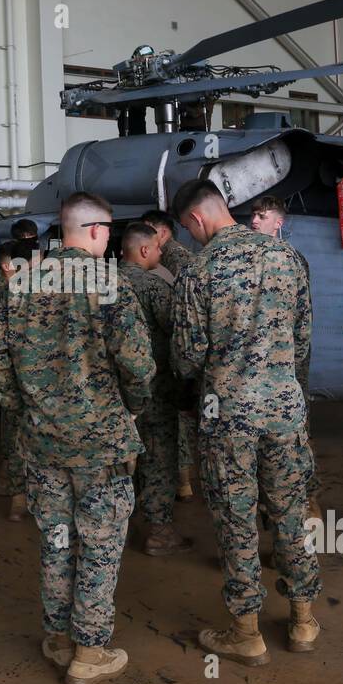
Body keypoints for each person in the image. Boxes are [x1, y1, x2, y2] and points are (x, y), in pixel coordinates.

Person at [0, 192, 154, 684]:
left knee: (57, 542)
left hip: (42, 444)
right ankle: (89, 652)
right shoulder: (108, 282)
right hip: (102, 445)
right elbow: (139, 365)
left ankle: (57, 638)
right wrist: (132, 407)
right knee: (99, 546)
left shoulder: (22, 284)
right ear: (98, 230)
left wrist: (28, 407)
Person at [171, 179, 321, 661]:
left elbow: (187, 359)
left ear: (195, 219)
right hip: (284, 410)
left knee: (236, 521)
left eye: (188, 229)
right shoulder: (289, 259)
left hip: (228, 416)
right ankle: (302, 621)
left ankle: (246, 632)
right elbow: (302, 342)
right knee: (291, 515)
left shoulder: (200, 270)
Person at [118, 223, 193, 556]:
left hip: (110, 393)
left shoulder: (101, 285)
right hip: (153, 389)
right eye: (158, 249)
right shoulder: (152, 286)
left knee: (120, 457)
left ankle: (117, 523)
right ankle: (159, 530)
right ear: (145, 250)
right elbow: (177, 332)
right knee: (158, 455)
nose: (161, 254)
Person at [250, 195, 322, 522]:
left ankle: (309, 499)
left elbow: (302, 322)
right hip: (257, 369)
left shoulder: (293, 260)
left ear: (278, 223)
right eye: (253, 215)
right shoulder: (247, 259)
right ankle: (269, 503)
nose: (254, 221)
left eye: (262, 216)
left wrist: (292, 368)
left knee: (296, 438)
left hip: (288, 367)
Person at [141, 208, 197, 502]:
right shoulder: (165, 260)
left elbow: (184, 314)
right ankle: (181, 481)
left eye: (150, 229)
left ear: (162, 231)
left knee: (178, 423)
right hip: (170, 353)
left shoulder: (179, 260)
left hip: (175, 353)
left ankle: (183, 481)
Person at [0, 240, 35, 520]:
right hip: (40, 391)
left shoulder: (3, 297)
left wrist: (4, 393)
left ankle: (15, 496)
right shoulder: (44, 295)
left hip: (14, 386)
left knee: (14, 442)